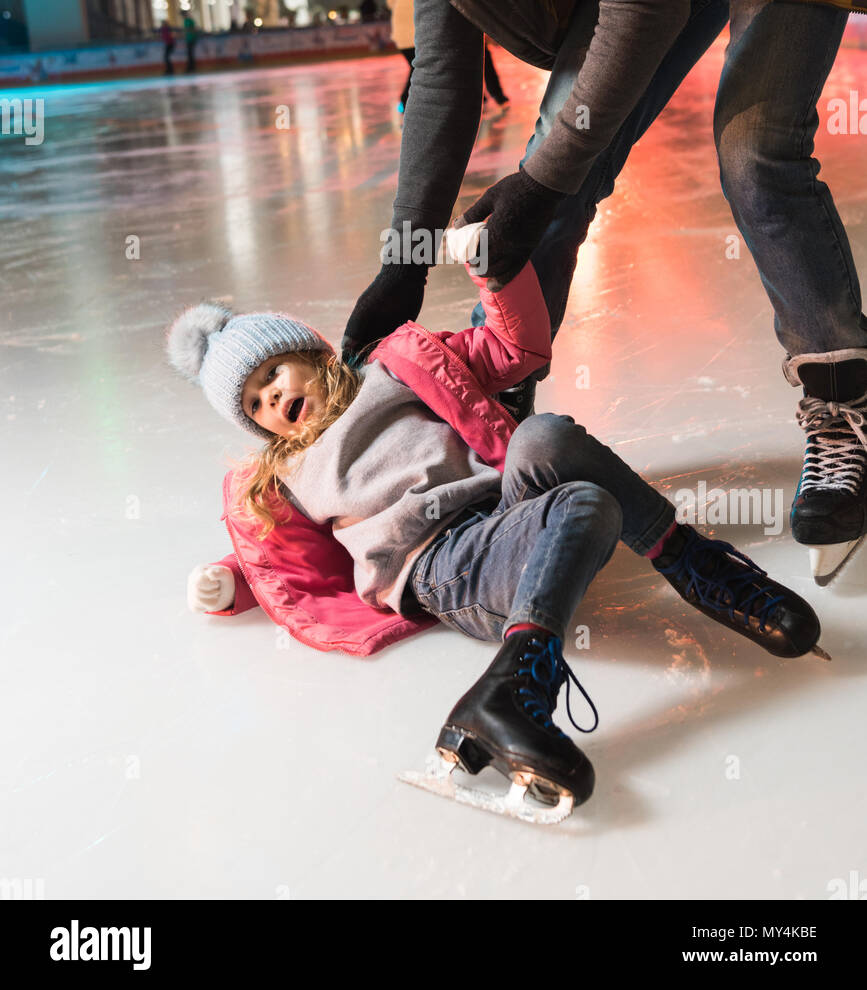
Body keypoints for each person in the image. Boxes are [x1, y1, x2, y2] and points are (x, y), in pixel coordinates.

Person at [208, 0, 867, 585]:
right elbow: (441, 77)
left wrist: (540, 185)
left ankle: (844, 412)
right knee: (545, 187)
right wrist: (404, 259)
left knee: (754, 154)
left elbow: (642, 0)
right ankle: (495, 430)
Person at [166, 228, 822, 819]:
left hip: (504, 516)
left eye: (273, 372)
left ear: (310, 351)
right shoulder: (285, 474)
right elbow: (284, 557)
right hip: (442, 569)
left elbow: (518, 347)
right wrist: (229, 583)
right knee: (585, 505)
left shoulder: (396, 368)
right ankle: (509, 693)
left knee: (542, 435)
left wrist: (497, 274)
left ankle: (689, 560)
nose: (274, 397)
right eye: (256, 402)